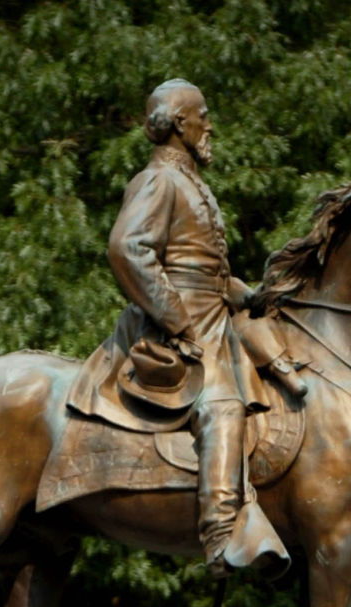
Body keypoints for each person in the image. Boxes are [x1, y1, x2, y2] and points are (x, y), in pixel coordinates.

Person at [68, 79, 300, 575]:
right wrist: (178, 321)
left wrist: (245, 293)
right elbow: (128, 249)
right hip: (178, 326)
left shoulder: (192, 181)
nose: (209, 124)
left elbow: (203, 268)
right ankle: (220, 534)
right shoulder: (159, 180)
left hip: (212, 316)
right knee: (220, 405)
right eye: (203, 115)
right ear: (180, 123)